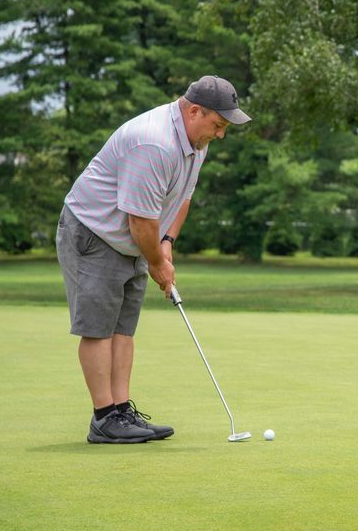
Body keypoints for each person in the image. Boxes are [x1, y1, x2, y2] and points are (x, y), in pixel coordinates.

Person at [56, 75, 251, 443]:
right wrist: (158, 263)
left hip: (133, 238)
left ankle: (121, 411)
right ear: (194, 111)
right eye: (218, 125)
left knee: (123, 328)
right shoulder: (154, 143)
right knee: (98, 328)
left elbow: (183, 197)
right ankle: (104, 419)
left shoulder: (196, 141)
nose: (221, 134)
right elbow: (140, 221)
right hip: (94, 233)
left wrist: (167, 241)